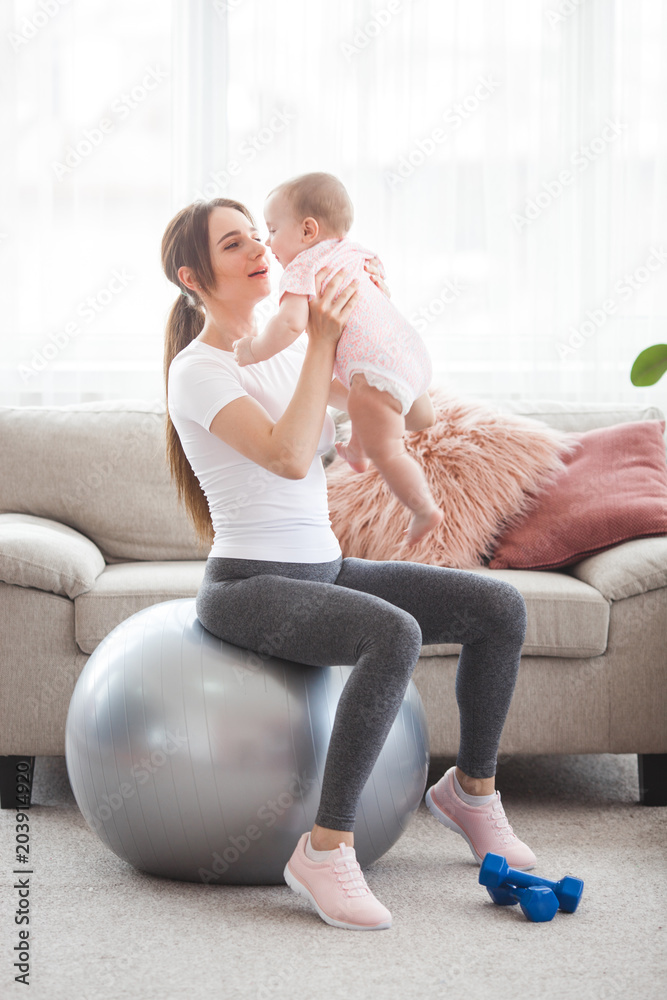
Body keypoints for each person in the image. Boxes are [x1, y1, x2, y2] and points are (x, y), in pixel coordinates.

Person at [162, 196, 536, 933]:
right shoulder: (198, 371)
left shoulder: (289, 350)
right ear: (192, 277)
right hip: (247, 586)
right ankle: (326, 850)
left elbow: (412, 415)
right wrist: (322, 343)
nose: (258, 251)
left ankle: (471, 793)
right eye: (233, 245)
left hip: (324, 569)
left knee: (499, 608)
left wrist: (380, 328)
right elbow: (289, 453)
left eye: (254, 236)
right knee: (391, 633)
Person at [232, 172, 444, 547]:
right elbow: (418, 415)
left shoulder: (302, 267)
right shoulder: (354, 251)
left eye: (270, 230)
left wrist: (254, 349)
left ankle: (424, 507)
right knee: (365, 402)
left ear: (308, 231)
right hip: (410, 351)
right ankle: (358, 448)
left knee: (388, 451)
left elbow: (290, 322)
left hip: (380, 366)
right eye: (235, 243)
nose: (267, 245)